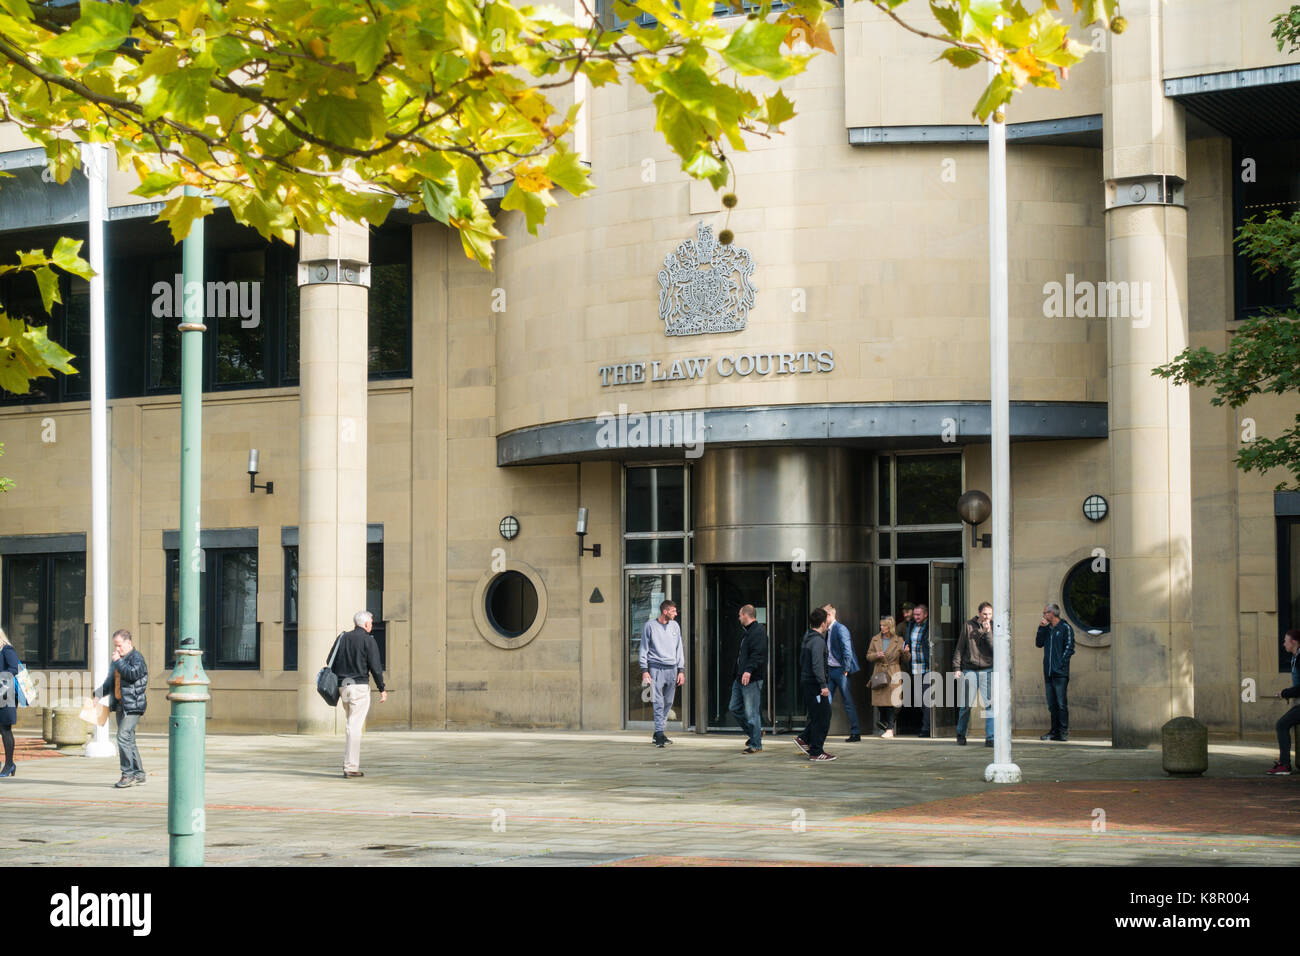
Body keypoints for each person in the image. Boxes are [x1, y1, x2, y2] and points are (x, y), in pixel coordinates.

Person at [331, 610, 387, 777]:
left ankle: (349, 763)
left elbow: (330, 661)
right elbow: (376, 667)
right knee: (354, 727)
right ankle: (350, 767)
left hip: (344, 687)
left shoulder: (342, 638)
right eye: (371, 622)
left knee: (351, 723)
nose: (372, 625)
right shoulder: (368, 640)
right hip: (359, 687)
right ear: (366, 624)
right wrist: (382, 688)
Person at [94, 629, 148, 788]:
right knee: (129, 740)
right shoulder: (118, 660)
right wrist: (97, 695)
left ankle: (127, 774)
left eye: (119, 645)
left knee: (122, 737)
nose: (117, 649)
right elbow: (109, 681)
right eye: (115, 646)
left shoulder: (137, 658)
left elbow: (132, 674)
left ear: (128, 643)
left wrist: (118, 661)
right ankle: (139, 774)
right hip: (120, 704)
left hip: (133, 705)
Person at [640, 599, 685, 747]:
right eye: (673, 611)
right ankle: (659, 733)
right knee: (658, 702)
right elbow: (644, 648)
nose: (676, 614)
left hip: (672, 669)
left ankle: (658, 732)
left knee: (668, 702)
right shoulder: (650, 626)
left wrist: (681, 670)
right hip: (655, 668)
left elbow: (679, 649)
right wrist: (644, 670)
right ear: (665, 611)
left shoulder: (675, 626)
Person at [794, 608, 835, 761]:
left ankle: (804, 738)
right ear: (823, 624)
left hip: (808, 682)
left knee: (819, 714)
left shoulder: (807, 637)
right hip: (815, 684)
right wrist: (823, 685)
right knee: (823, 716)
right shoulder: (818, 641)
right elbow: (817, 665)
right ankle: (816, 751)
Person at [953, 602, 995, 747]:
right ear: (979, 613)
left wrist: (988, 632)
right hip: (969, 669)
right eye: (985, 614)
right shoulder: (968, 625)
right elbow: (960, 647)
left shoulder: (994, 626)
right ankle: (961, 733)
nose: (987, 617)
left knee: (989, 705)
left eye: (990, 614)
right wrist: (956, 667)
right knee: (966, 705)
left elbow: (995, 649)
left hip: (987, 669)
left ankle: (991, 737)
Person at [729, 604, 768, 753]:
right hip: (740, 678)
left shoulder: (758, 632)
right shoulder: (747, 632)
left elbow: (758, 654)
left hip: (751, 679)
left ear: (746, 615)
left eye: (740, 615)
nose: (739, 618)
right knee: (734, 708)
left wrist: (748, 671)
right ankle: (756, 733)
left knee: (752, 713)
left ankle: (756, 744)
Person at [1036, 602, 1075, 741]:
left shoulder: (1065, 628)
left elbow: (1070, 648)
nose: (1044, 615)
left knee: (1061, 703)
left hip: (1060, 673)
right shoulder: (1046, 628)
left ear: (1052, 614)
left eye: (1045, 612)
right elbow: (1038, 643)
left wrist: (1060, 665)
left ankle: (1063, 731)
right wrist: (1041, 628)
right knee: (1052, 705)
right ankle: (1054, 731)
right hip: (1048, 673)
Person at [866, 616, 909, 737]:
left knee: (891, 702)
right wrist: (876, 655)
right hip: (879, 672)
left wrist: (906, 652)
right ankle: (886, 724)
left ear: (890, 627)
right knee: (880, 702)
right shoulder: (875, 639)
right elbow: (868, 656)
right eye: (881, 625)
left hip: (893, 672)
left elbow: (906, 659)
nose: (882, 627)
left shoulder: (898, 640)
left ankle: (890, 728)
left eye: (884, 625)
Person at [824, 604, 861, 742]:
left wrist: (845, 669)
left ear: (829, 615)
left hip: (840, 671)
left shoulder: (840, 628)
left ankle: (855, 732)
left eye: (823, 616)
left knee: (847, 701)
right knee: (825, 701)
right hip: (831, 670)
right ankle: (820, 730)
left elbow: (847, 650)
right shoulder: (828, 630)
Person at [1267, 629, 1300, 775]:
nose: (1283, 644)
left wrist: (1284, 693)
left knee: (1282, 725)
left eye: (1285, 640)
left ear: (1293, 642)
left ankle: (1285, 765)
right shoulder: (1296, 657)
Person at [904, 604, 932, 737]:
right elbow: (908, 641)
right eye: (914, 615)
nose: (915, 617)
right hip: (915, 667)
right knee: (919, 699)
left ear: (925, 614)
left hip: (927, 667)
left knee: (926, 699)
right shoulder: (911, 625)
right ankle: (926, 725)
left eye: (918, 615)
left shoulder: (930, 626)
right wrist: (906, 647)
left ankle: (926, 728)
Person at [0, 629, 20, 778]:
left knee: (5, 729)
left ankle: (9, 764)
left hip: (6, 695)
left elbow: (14, 669)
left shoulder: (7, 650)